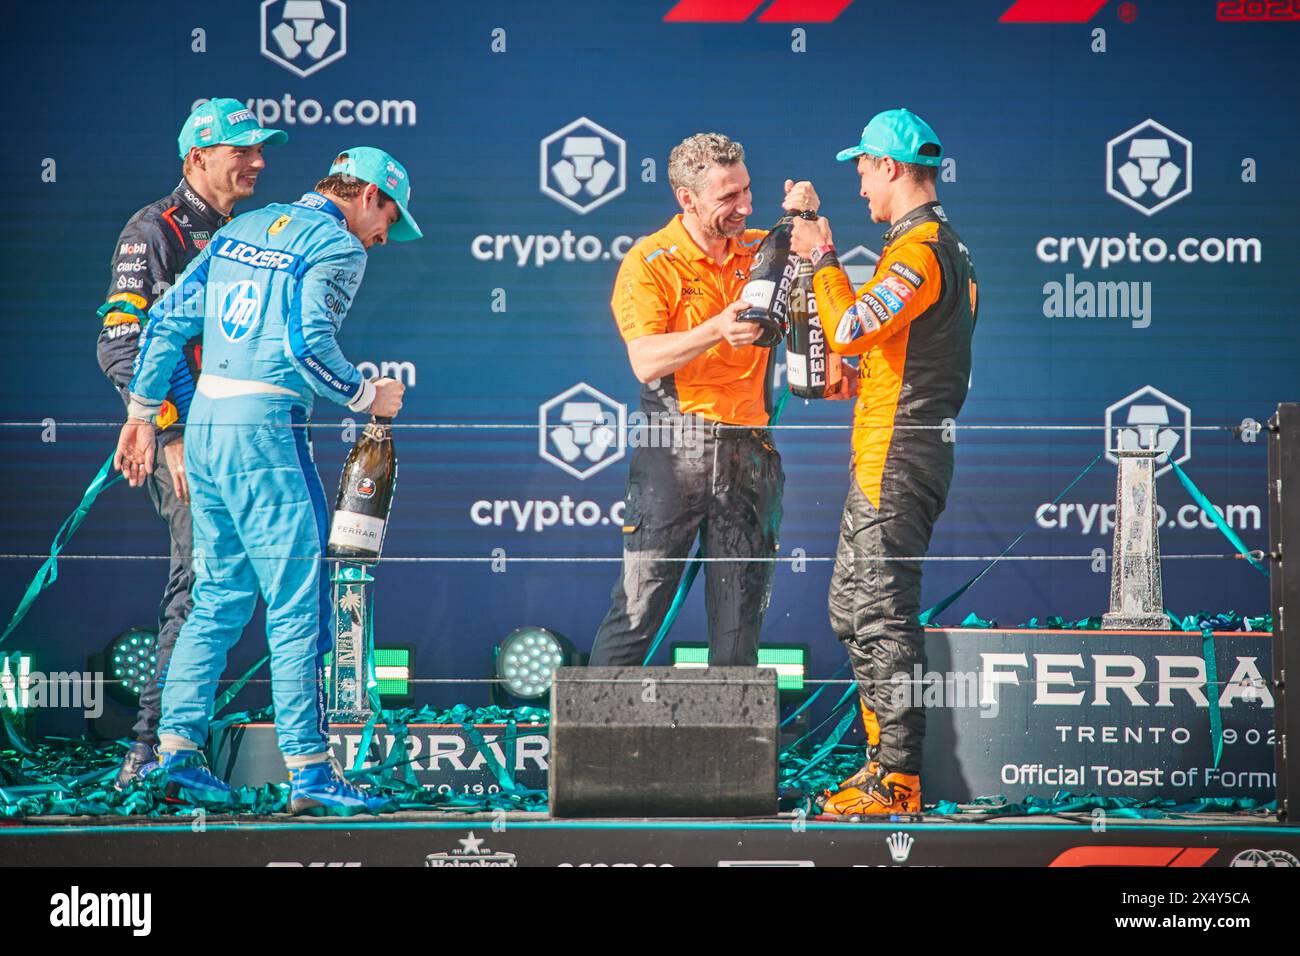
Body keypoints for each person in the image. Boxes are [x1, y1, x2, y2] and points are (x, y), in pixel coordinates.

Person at [113, 147, 421, 814]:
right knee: (294, 597)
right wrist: (370, 396)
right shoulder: (339, 247)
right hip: (265, 433)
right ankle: (310, 770)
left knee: (218, 593)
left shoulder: (244, 228)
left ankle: (177, 754)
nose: (385, 235)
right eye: (389, 217)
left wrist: (142, 415)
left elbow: (164, 322)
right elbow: (308, 348)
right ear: (366, 195)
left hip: (208, 430)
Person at [790, 109, 978, 816]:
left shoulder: (922, 252)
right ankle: (881, 771)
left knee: (881, 613)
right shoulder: (939, 249)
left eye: (863, 167)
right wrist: (859, 378)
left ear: (892, 167)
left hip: (899, 457)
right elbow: (910, 356)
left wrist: (820, 256)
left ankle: (898, 780)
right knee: (855, 606)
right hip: (895, 449)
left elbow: (847, 326)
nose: (860, 182)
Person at [97, 98, 287, 789]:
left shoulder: (258, 231)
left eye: (261, 150)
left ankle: (184, 750)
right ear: (196, 159)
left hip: (251, 437)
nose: (259, 162)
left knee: (238, 590)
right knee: (201, 586)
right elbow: (122, 342)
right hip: (191, 443)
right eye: (243, 151)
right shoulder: (154, 229)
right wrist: (170, 432)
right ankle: (153, 756)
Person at [588, 132, 817, 667]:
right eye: (727, 197)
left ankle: (733, 751)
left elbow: (812, 261)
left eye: (747, 191)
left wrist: (805, 213)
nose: (745, 207)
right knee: (639, 610)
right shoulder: (650, 260)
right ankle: (593, 748)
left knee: (740, 626)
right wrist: (716, 328)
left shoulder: (764, 249)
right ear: (687, 199)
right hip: (674, 449)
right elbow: (645, 360)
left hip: (750, 451)